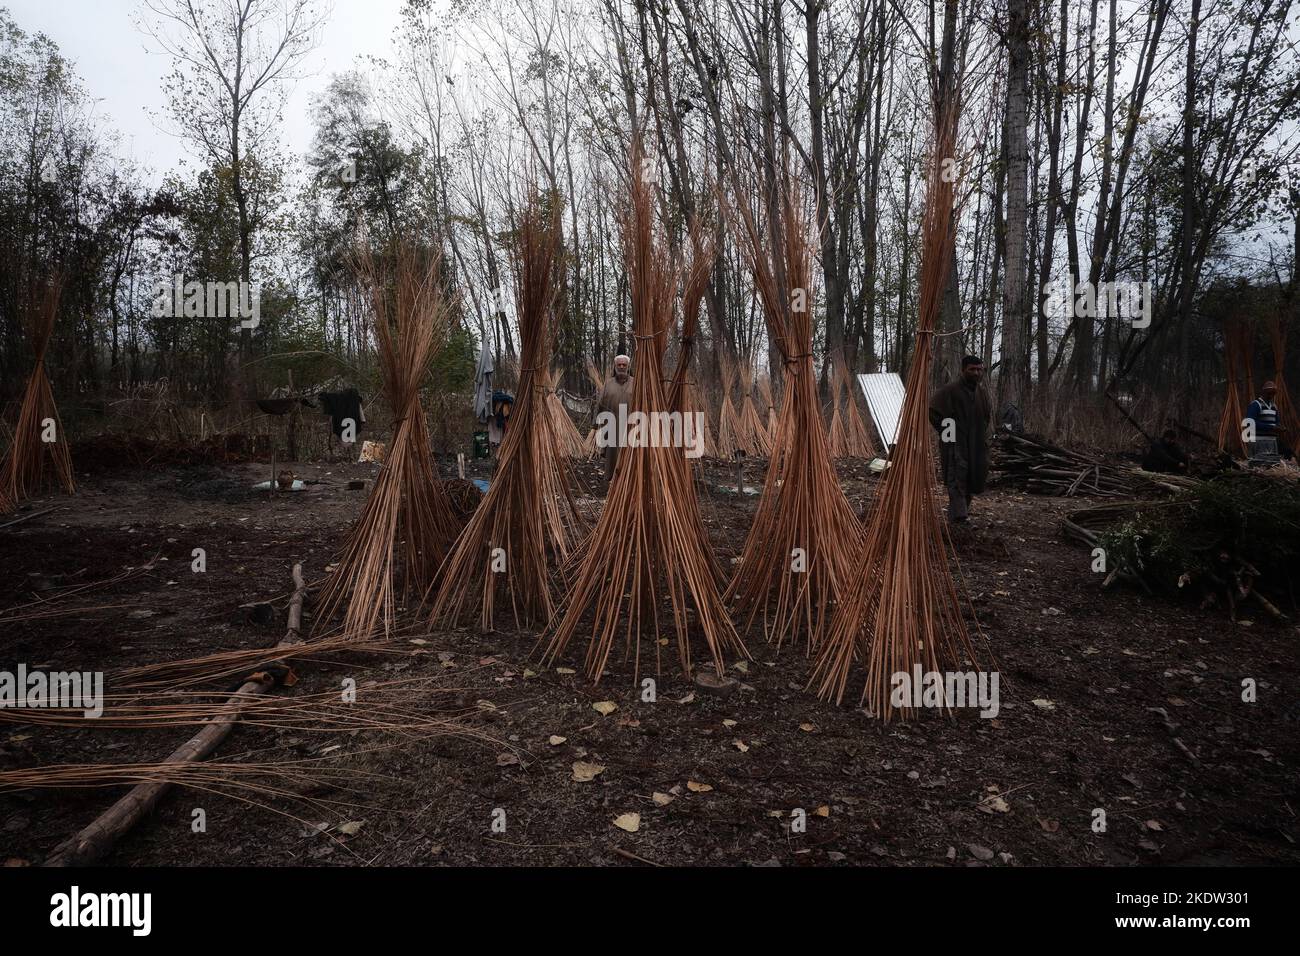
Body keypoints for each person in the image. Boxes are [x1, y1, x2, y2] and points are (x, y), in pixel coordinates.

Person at [928, 355, 992, 523]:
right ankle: (959, 518)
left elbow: (986, 417)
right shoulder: (950, 390)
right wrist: (948, 432)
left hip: (976, 445)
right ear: (963, 370)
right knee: (956, 478)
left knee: (972, 478)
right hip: (956, 445)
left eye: (979, 369)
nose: (976, 373)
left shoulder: (981, 393)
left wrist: (980, 436)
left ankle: (959, 515)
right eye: (972, 369)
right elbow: (934, 412)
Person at [596, 354, 634, 491]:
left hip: (632, 428)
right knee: (613, 458)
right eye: (619, 365)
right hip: (612, 428)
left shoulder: (635, 383)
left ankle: (630, 486)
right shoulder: (608, 383)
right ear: (615, 366)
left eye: (624, 365)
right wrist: (598, 427)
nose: (622, 367)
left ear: (628, 366)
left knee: (630, 458)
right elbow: (600, 405)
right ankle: (614, 487)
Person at [1244, 381, 1291, 460]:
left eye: (1273, 393)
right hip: (1259, 441)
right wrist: (1271, 427)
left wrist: (1280, 428)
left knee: (1270, 464)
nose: (1271, 396)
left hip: (1272, 442)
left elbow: (1276, 422)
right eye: (1269, 393)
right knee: (1259, 464)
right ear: (1263, 392)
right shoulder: (1256, 404)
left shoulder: (1274, 406)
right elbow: (1249, 422)